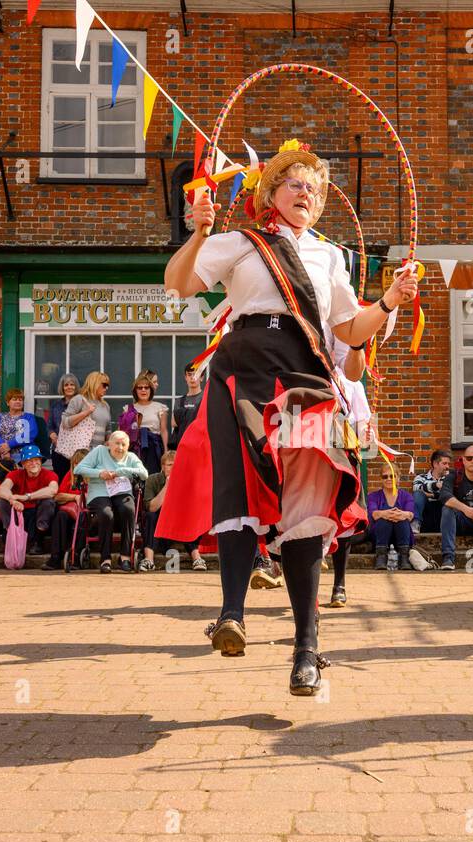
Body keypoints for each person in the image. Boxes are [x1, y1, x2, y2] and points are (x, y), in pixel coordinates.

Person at [159, 138, 418, 695]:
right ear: (270, 193)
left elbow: (349, 332)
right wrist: (199, 232)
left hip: (306, 377)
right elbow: (179, 284)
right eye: (296, 183)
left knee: (306, 504)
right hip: (244, 368)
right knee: (238, 484)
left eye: (316, 188)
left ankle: (306, 649)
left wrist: (391, 300)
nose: (307, 192)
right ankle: (232, 613)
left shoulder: (330, 256)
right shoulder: (239, 243)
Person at [323, 316, 373, 607]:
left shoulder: (352, 383)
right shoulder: (306, 377)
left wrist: (363, 447)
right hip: (310, 450)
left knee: (345, 517)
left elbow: (364, 422)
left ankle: (339, 584)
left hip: (342, 452)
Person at [75, 430, 147, 572]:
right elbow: (79, 469)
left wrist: (120, 471)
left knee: (128, 509)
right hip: (100, 491)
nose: (120, 448)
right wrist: (99, 473)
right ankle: (105, 559)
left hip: (120, 491)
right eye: (117, 444)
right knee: (106, 514)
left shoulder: (131, 457)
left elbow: (144, 474)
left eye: (123, 444)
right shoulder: (99, 451)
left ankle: (125, 557)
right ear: (109, 444)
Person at [140, 450, 205, 571]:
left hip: (179, 524)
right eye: (170, 465)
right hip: (159, 524)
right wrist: (167, 486)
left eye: (177, 465)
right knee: (150, 515)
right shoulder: (153, 479)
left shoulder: (188, 481)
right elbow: (151, 507)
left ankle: (197, 558)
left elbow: (191, 507)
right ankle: (149, 559)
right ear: (163, 467)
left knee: (191, 514)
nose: (174, 468)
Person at [0, 444, 58, 555]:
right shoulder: (14, 474)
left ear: (41, 461)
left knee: (48, 502)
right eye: (29, 460)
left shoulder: (50, 474)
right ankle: (10, 535)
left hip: (37, 514)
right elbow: (2, 489)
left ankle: (38, 542)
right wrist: (12, 500)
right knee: (3, 501)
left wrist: (26, 497)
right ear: (23, 464)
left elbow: (53, 490)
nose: (33, 463)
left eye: (36, 460)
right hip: (19, 512)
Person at [44, 447, 91, 572]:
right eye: (76, 463)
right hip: (70, 511)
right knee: (60, 515)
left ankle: (75, 556)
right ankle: (55, 556)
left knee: (82, 518)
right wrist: (75, 496)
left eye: (82, 462)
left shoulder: (93, 478)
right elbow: (58, 496)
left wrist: (78, 498)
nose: (78, 465)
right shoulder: (69, 476)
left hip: (88, 514)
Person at [368, 461, 417, 570]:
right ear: (381, 479)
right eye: (385, 476)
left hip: (401, 533)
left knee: (403, 519)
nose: (389, 479)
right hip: (381, 534)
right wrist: (387, 514)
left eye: (392, 476)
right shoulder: (373, 496)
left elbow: (410, 515)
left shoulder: (406, 496)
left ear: (398, 478)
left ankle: (404, 557)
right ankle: (381, 557)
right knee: (382, 520)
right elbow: (374, 514)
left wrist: (400, 515)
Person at [120, 374, 169, 475]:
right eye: (140, 387)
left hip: (153, 447)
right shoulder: (128, 409)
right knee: (134, 478)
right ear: (135, 390)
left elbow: (164, 430)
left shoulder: (160, 407)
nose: (143, 390)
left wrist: (166, 451)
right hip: (134, 447)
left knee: (151, 475)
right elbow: (121, 432)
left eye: (146, 387)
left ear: (151, 390)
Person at [0, 388, 41, 468]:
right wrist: (4, 450)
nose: (18, 402)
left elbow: (29, 435)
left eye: (20, 399)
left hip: (22, 456)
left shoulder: (29, 417)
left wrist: (9, 445)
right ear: (7, 402)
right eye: (14, 399)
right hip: (0, 454)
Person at [63, 372, 114, 451]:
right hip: (82, 452)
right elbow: (65, 422)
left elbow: (108, 429)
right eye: (104, 385)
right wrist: (86, 412)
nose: (106, 388)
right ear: (95, 383)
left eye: (107, 386)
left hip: (100, 451)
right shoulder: (79, 399)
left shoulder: (105, 405)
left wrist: (109, 442)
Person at [46, 373, 80, 480]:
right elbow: (50, 425)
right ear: (62, 387)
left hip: (76, 450)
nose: (69, 387)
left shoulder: (81, 404)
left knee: (75, 481)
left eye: (72, 384)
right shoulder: (56, 406)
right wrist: (52, 435)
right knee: (60, 479)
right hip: (59, 449)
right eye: (66, 385)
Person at [412, 449, 451, 535]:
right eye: (444, 463)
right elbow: (417, 489)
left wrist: (432, 495)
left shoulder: (450, 478)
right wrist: (436, 485)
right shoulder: (420, 477)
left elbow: (451, 494)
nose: (447, 466)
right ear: (435, 464)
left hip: (443, 510)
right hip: (426, 511)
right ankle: (415, 523)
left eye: (448, 464)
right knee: (418, 494)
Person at [171, 364, 204, 447]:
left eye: (196, 374)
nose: (192, 377)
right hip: (182, 445)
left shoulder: (207, 398)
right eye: (189, 374)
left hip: (200, 444)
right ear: (185, 377)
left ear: (201, 378)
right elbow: (174, 423)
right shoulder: (179, 401)